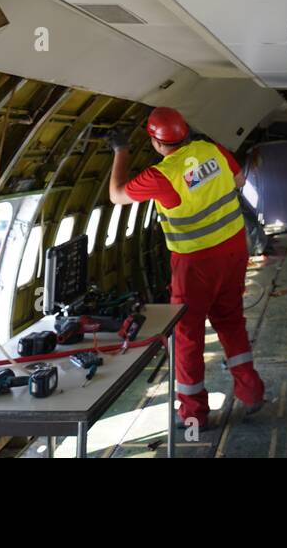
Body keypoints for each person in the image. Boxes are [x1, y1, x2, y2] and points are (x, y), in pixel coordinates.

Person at [107, 107, 265, 430]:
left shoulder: (160, 176)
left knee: (187, 335)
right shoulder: (213, 149)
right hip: (234, 252)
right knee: (231, 320)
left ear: (155, 141)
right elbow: (238, 180)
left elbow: (115, 195)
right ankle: (251, 393)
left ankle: (193, 413)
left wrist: (120, 151)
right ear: (186, 131)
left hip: (195, 265)